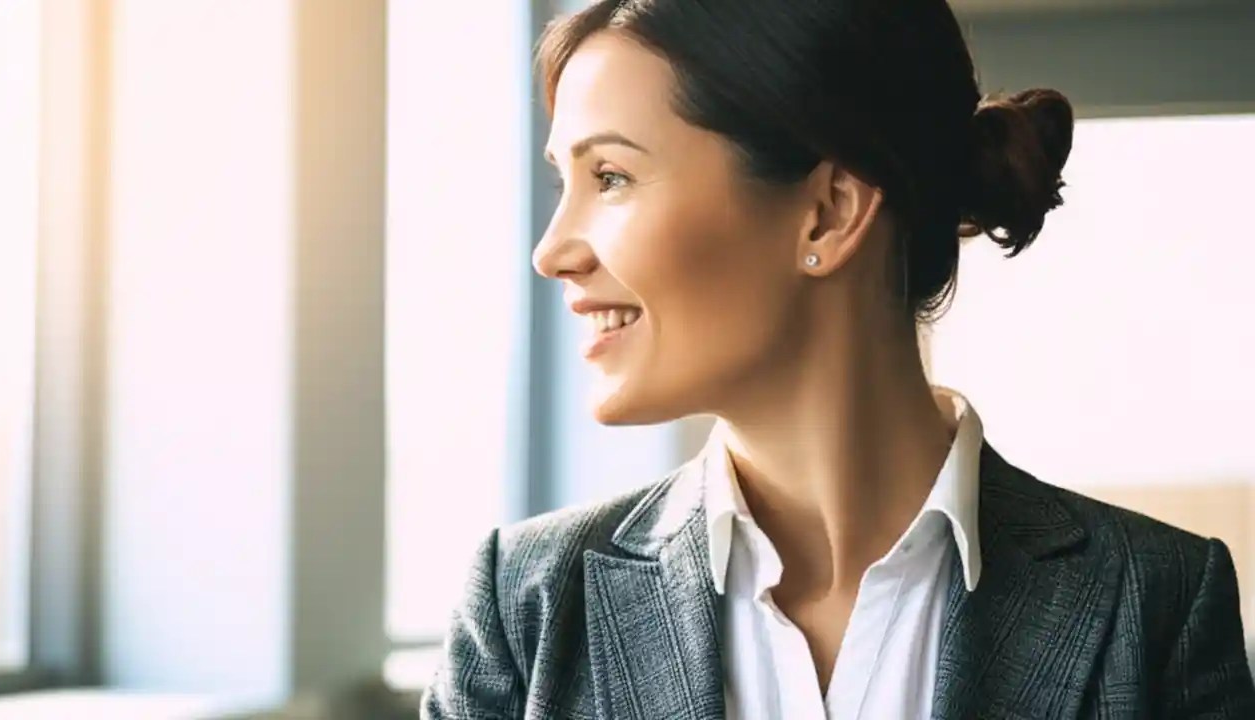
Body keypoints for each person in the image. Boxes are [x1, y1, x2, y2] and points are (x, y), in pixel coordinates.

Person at [421, 0, 1255, 717]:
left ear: (828, 212)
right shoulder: (523, 610)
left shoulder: (1153, 606)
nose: (553, 250)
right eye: (565, 181)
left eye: (610, 176)